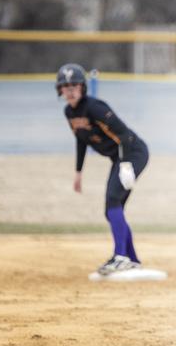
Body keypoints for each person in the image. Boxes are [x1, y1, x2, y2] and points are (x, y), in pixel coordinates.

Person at [57, 63, 149, 275]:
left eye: (74, 85)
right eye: (65, 86)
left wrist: (126, 165)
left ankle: (121, 256)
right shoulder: (68, 112)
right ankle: (131, 258)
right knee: (112, 210)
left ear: (82, 87)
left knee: (112, 201)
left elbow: (124, 135)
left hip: (133, 153)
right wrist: (78, 172)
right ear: (59, 90)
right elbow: (81, 140)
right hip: (120, 157)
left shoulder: (94, 107)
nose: (70, 90)